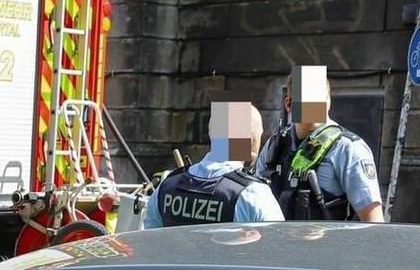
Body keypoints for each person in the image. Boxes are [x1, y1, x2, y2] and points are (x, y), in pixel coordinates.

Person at [257, 65, 385, 222]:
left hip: (327, 245)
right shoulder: (274, 146)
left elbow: (373, 220)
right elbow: (255, 205)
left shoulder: (347, 149)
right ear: (289, 104)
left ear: (329, 102)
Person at [143, 102, 285, 229]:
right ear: (250, 139)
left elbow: (152, 245)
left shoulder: (166, 186)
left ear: (212, 133)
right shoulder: (253, 194)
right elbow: (277, 251)